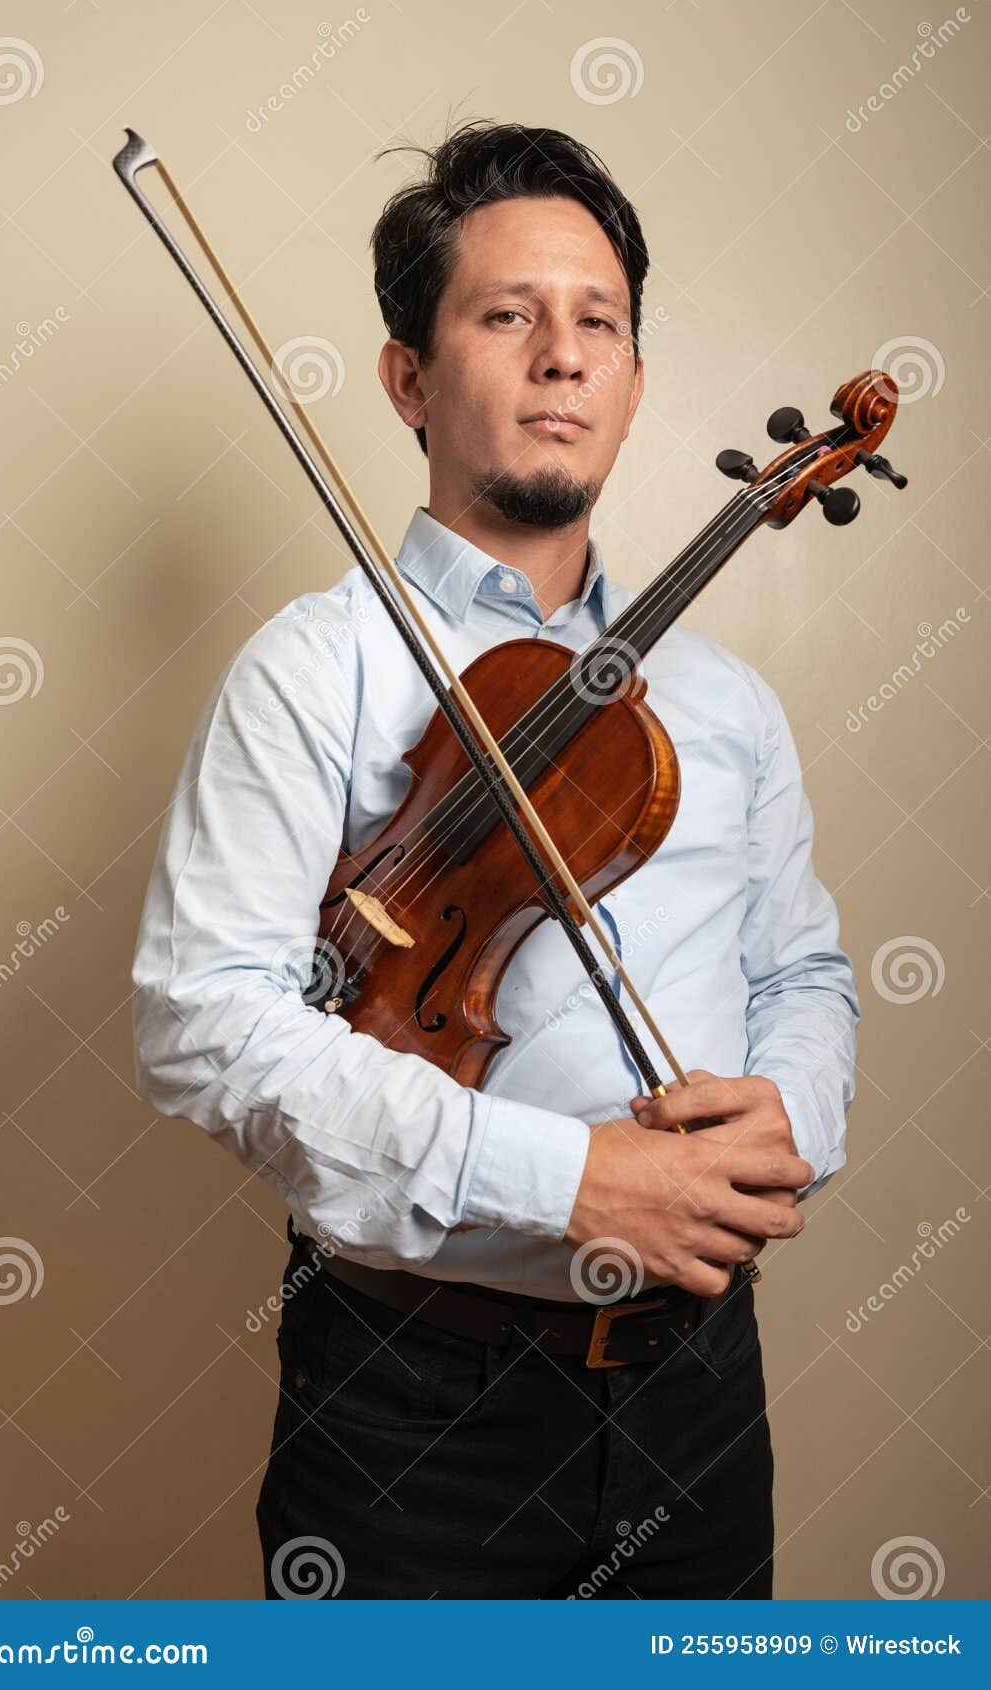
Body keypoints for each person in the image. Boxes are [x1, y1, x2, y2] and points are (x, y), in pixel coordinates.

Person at [131, 121, 859, 1600]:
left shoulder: (723, 704)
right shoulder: (317, 666)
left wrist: (796, 1107)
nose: (561, 356)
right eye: (506, 314)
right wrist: (576, 1178)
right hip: (415, 1403)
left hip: (698, 1394)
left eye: (600, 322)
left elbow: (804, 969)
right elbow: (205, 1022)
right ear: (410, 375)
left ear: (638, 382)